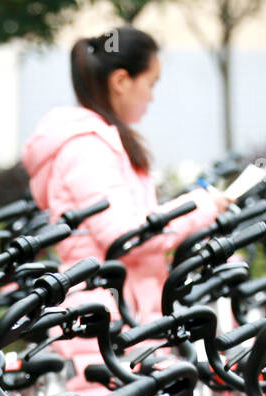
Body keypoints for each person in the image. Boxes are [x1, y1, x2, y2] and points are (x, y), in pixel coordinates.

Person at [23, 26, 231, 328]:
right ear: (121, 80)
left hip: (124, 310)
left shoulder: (101, 141)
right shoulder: (87, 147)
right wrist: (202, 206)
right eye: (151, 83)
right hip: (105, 318)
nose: (152, 97)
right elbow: (126, 236)